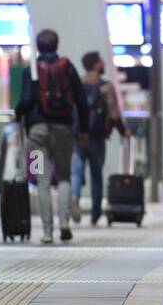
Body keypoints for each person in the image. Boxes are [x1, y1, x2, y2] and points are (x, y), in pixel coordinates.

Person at [15, 29, 88, 243]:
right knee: (64, 177)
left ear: (38, 47)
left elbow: (27, 100)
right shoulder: (68, 68)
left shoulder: (33, 70)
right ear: (57, 45)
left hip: (37, 135)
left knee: (41, 180)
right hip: (64, 131)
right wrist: (83, 130)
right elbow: (81, 101)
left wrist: (18, 113)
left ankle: (47, 231)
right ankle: (64, 222)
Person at [71, 50, 130, 226]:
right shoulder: (106, 87)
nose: (103, 63)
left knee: (76, 171)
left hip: (78, 135)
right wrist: (123, 131)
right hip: (96, 137)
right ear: (96, 64)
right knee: (96, 175)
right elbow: (113, 114)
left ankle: (74, 196)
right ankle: (95, 215)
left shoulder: (77, 84)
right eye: (101, 61)